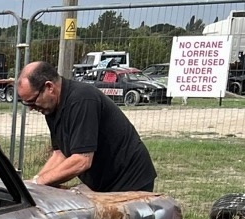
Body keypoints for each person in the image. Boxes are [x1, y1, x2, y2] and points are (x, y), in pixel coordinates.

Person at [16, 60, 156, 192]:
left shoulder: (82, 100)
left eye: (32, 101)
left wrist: (39, 182)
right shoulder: (50, 107)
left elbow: (82, 160)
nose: (31, 108)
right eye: (26, 103)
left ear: (49, 87)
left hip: (130, 179)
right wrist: (33, 185)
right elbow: (60, 154)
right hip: (103, 182)